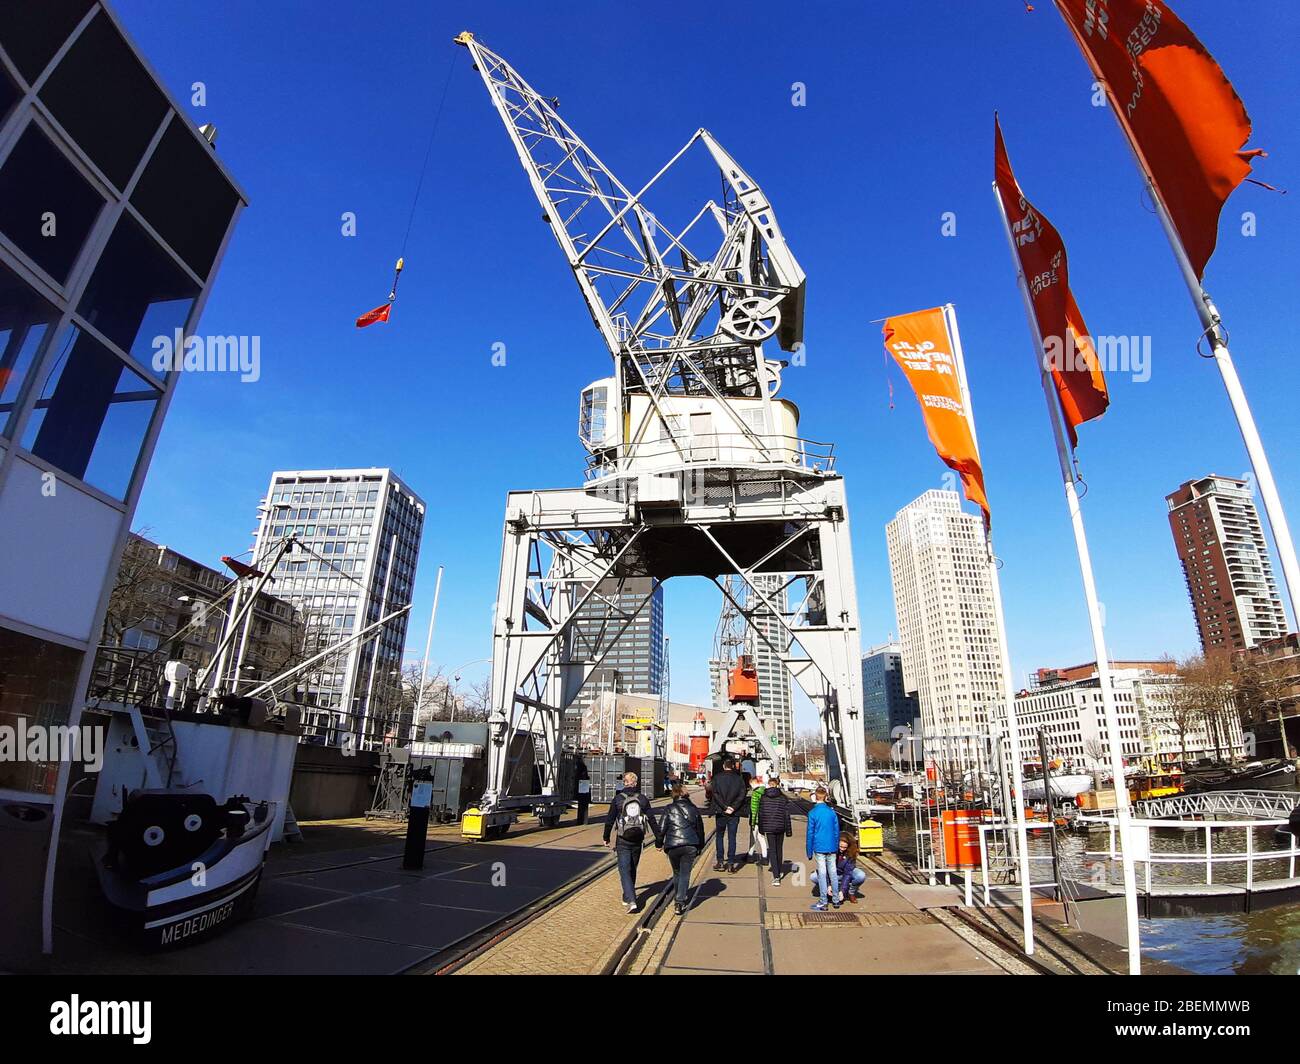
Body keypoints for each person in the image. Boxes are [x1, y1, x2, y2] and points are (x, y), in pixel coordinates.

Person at [602, 771, 663, 913]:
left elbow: (609, 820)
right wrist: (659, 840)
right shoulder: (642, 799)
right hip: (638, 838)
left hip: (622, 839)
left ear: (624, 782)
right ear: (636, 783)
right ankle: (627, 895)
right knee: (632, 868)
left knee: (624, 869)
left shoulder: (617, 799)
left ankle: (631, 899)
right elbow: (652, 820)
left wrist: (606, 837)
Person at [660, 783, 706, 916]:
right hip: (690, 845)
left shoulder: (669, 808)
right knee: (685, 874)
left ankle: (678, 897)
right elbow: (700, 829)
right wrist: (700, 846)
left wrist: (659, 843)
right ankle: (679, 902)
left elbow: (662, 827)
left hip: (673, 845)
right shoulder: (693, 808)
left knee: (676, 872)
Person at [805, 786, 840, 911]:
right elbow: (837, 831)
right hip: (831, 846)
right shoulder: (832, 812)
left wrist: (809, 851)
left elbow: (810, 833)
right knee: (833, 873)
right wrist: (836, 846)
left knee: (822, 874)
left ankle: (823, 901)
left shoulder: (813, 813)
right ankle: (836, 900)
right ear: (826, 796)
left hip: (819, 846)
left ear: (815, 796)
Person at [709, 757, 748, 873]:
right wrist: (733, 807)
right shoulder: (739, 779)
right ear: (733, 766)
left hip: (721, 812)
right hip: (734, 813)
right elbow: (742, 794)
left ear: (723, 766)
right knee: (732, 837)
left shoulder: (717, 778)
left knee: (719, 836)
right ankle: (731, 863)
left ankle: (720, 861)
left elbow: (715, 794)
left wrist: (725, 807)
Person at [811, 831, 867, 905]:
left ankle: (850, 893)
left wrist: (842, 891)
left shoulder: (851, 853)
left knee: (861, 875)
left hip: (844, 873)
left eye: (845, 847)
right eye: (840, 846)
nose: (842, 849)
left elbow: (848, 873)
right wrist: (828, 885)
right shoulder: (829, 851)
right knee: (814, 876)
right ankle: (828, 891)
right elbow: (825, 870)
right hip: (831, 873)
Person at [757, 774, 793, 883]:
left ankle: (776, 876)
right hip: (780, 826)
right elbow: (786, 815)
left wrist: (761, 829)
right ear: (777, 785)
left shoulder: (763, 797)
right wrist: (789, 830)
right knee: (779, 849)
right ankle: (779, 869)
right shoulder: (783, 798)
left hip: (769, 827)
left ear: (768, 785)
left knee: (772, 850)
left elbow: (761, 814)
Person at [745, 775, 768, 864]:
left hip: (756, 819)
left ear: (753, 783)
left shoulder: (755, 793)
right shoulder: (764, 792)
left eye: (751, 784)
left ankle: (750, 856)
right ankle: (765, 857)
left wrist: (753, 822)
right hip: (763, 819)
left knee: (753, 838)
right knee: (762, 838)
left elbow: (754, 809)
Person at [574, 754, 591, 825]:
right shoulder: (584, 767)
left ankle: (581, 821)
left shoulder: (579, 767)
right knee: (584, 806)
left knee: (581, 806)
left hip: (581, 788)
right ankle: (584, 821)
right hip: (584, 788)